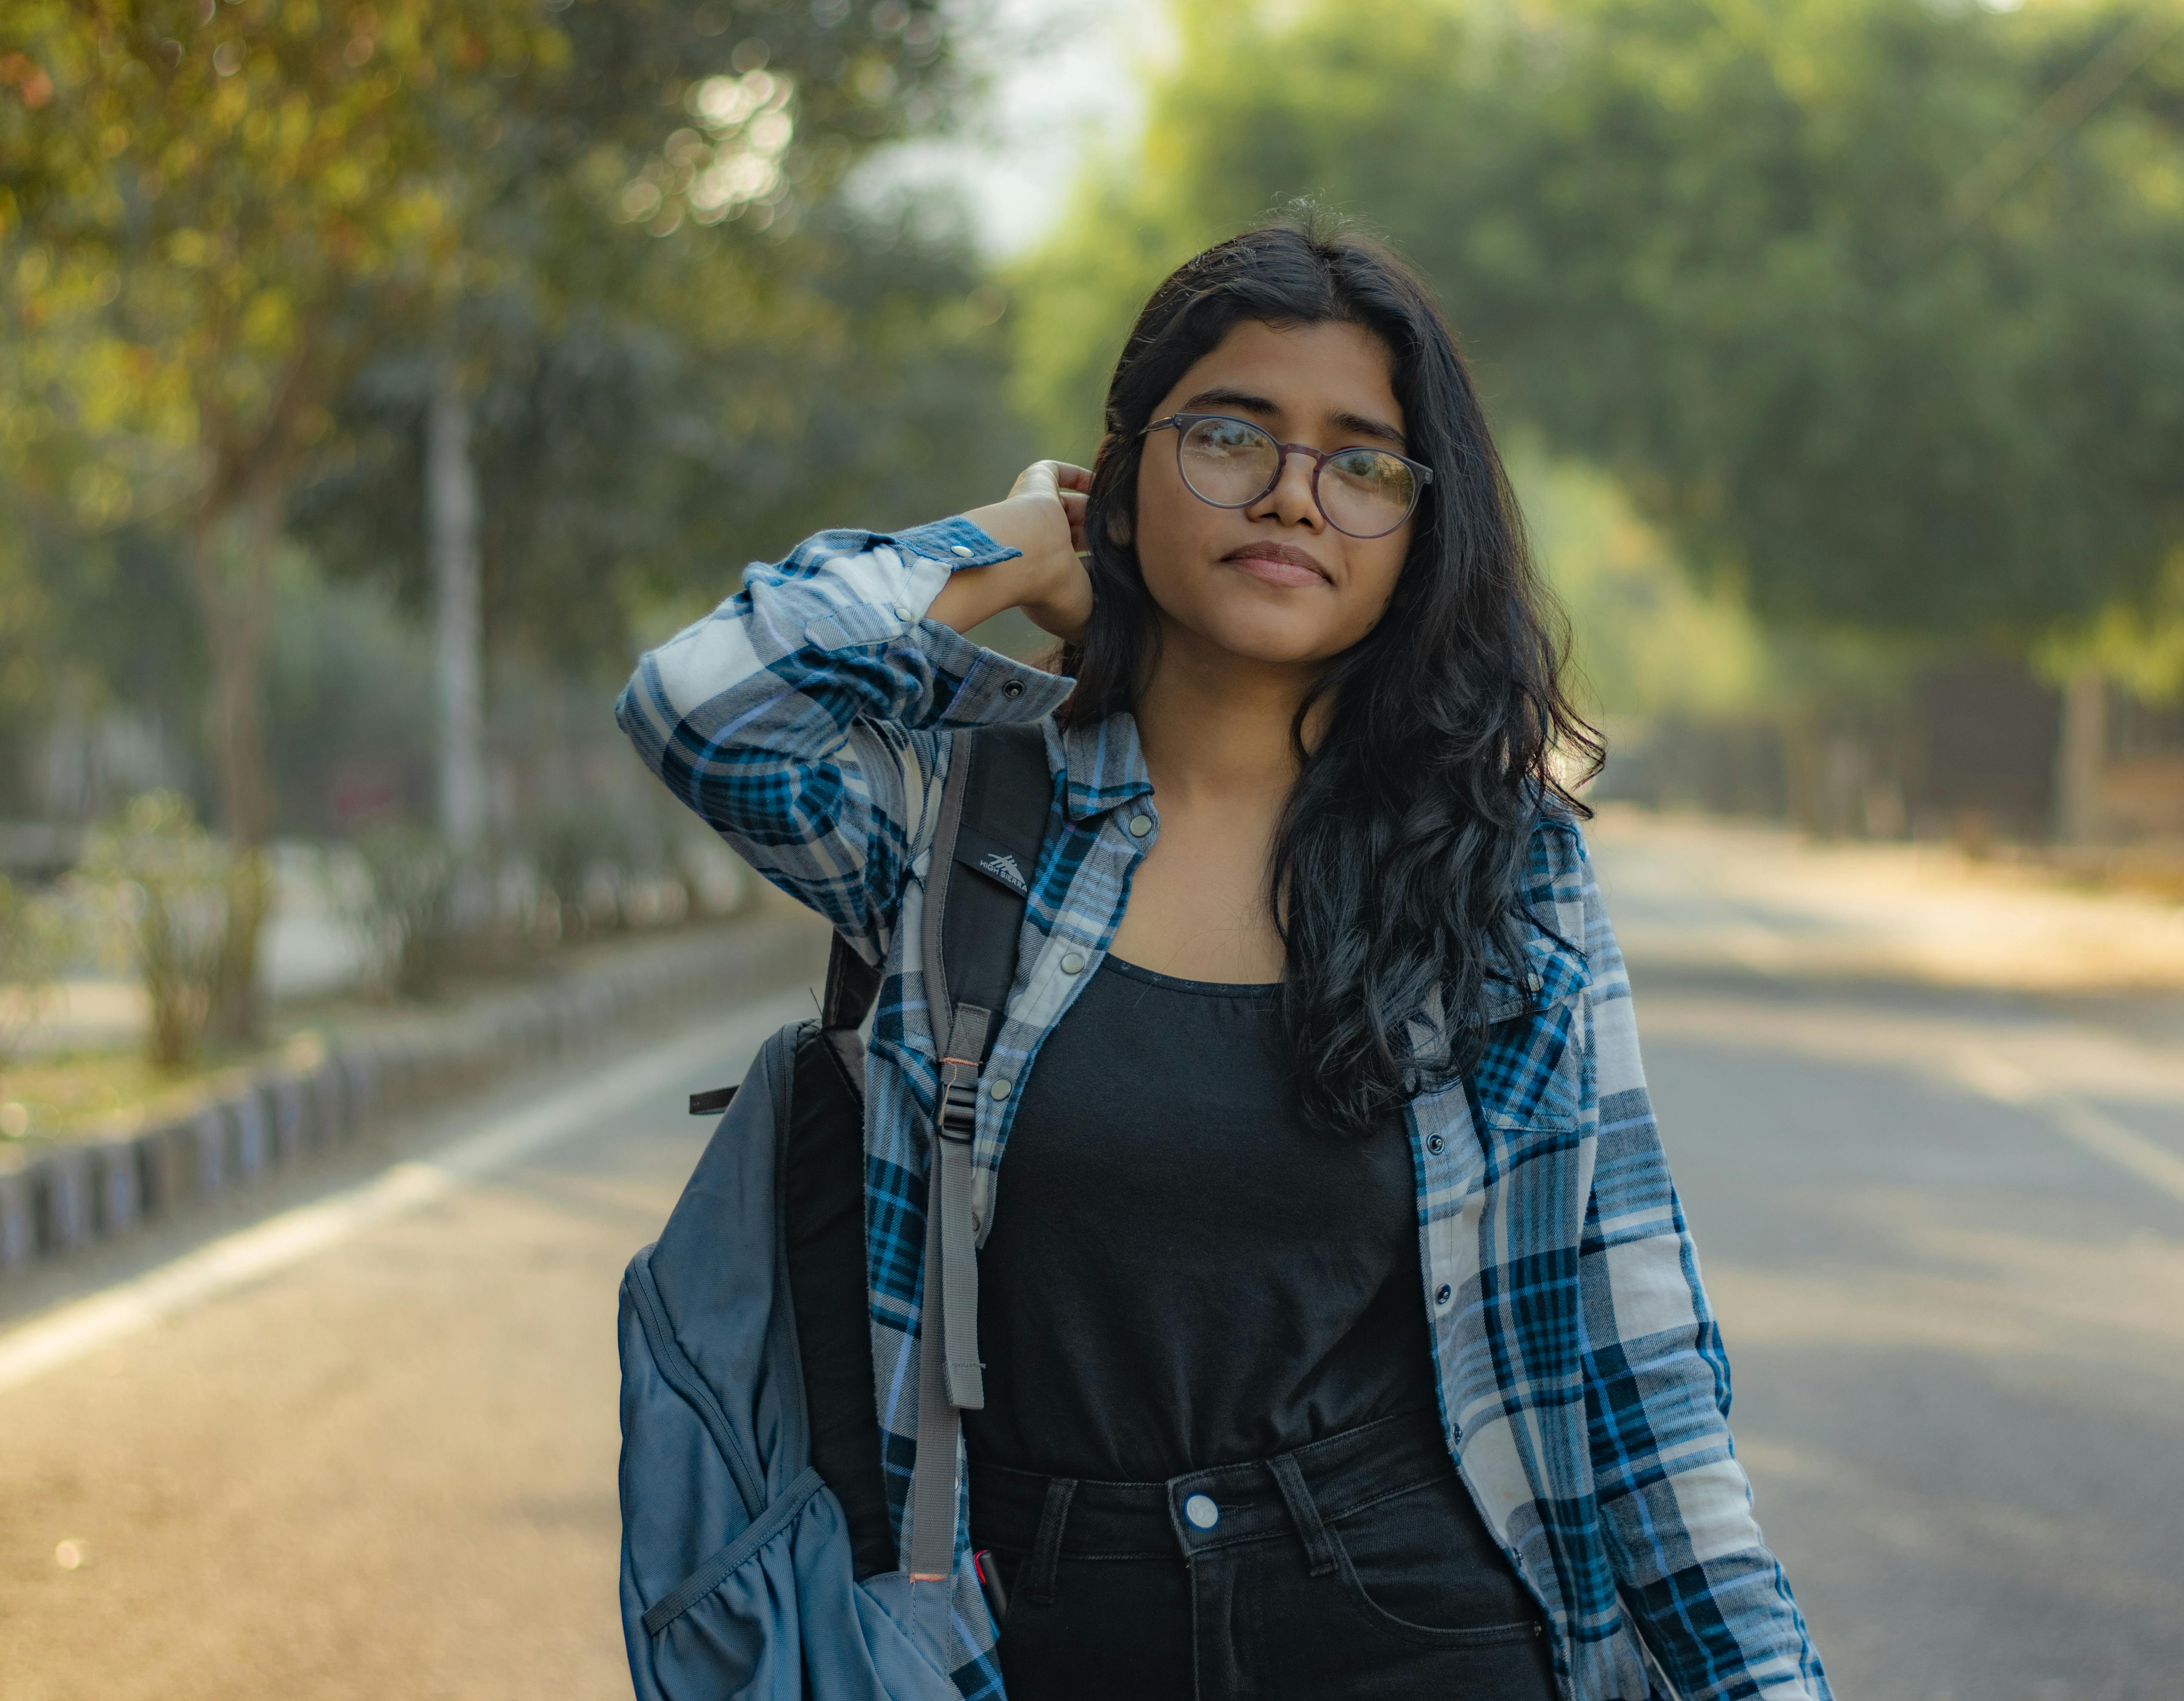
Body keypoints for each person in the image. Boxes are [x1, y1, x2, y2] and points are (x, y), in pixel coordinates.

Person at [618, 213, 1829, 1701]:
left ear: (1417, 533)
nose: (1294, 496)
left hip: (1419, 1628)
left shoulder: (1501, 871)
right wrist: (1007, 549)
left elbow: (1636, 1356)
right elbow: (701, 703)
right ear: (1125, 486)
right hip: (1030, 1634)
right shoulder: (961, 821)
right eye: (1230, 437)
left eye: (1363, 460)